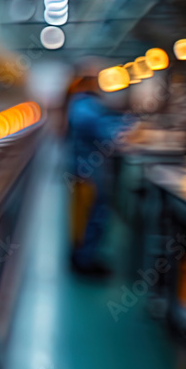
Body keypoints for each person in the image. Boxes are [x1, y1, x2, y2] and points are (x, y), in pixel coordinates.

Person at [66, 66, 131, 275]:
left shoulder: (83, 104)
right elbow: (105, 132)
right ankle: (83, 260)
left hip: (88, 168)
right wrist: (126, 128)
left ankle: (85, 256)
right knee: (90, 216)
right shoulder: (84, 105)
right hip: (88, 171)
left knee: (90, 214)